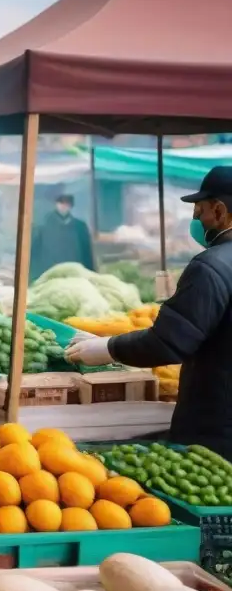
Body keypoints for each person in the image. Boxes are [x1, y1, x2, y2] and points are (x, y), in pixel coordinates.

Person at [65, 165, 232, 459]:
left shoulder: (211, 267)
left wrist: (107, 347)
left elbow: (169, 342)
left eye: (200, 209)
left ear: (219, 211)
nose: (195, 218)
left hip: (216, 428)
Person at [30, 194, 95, 279]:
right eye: (61, 203)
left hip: (74, 274)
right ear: (56, 204)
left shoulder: (80, 227)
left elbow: (87, 253)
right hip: (48, 274)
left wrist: (91, 274)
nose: (64, 206)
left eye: (67, 203)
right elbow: (33, 253)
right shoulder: (42, 225)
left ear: (71, 206)